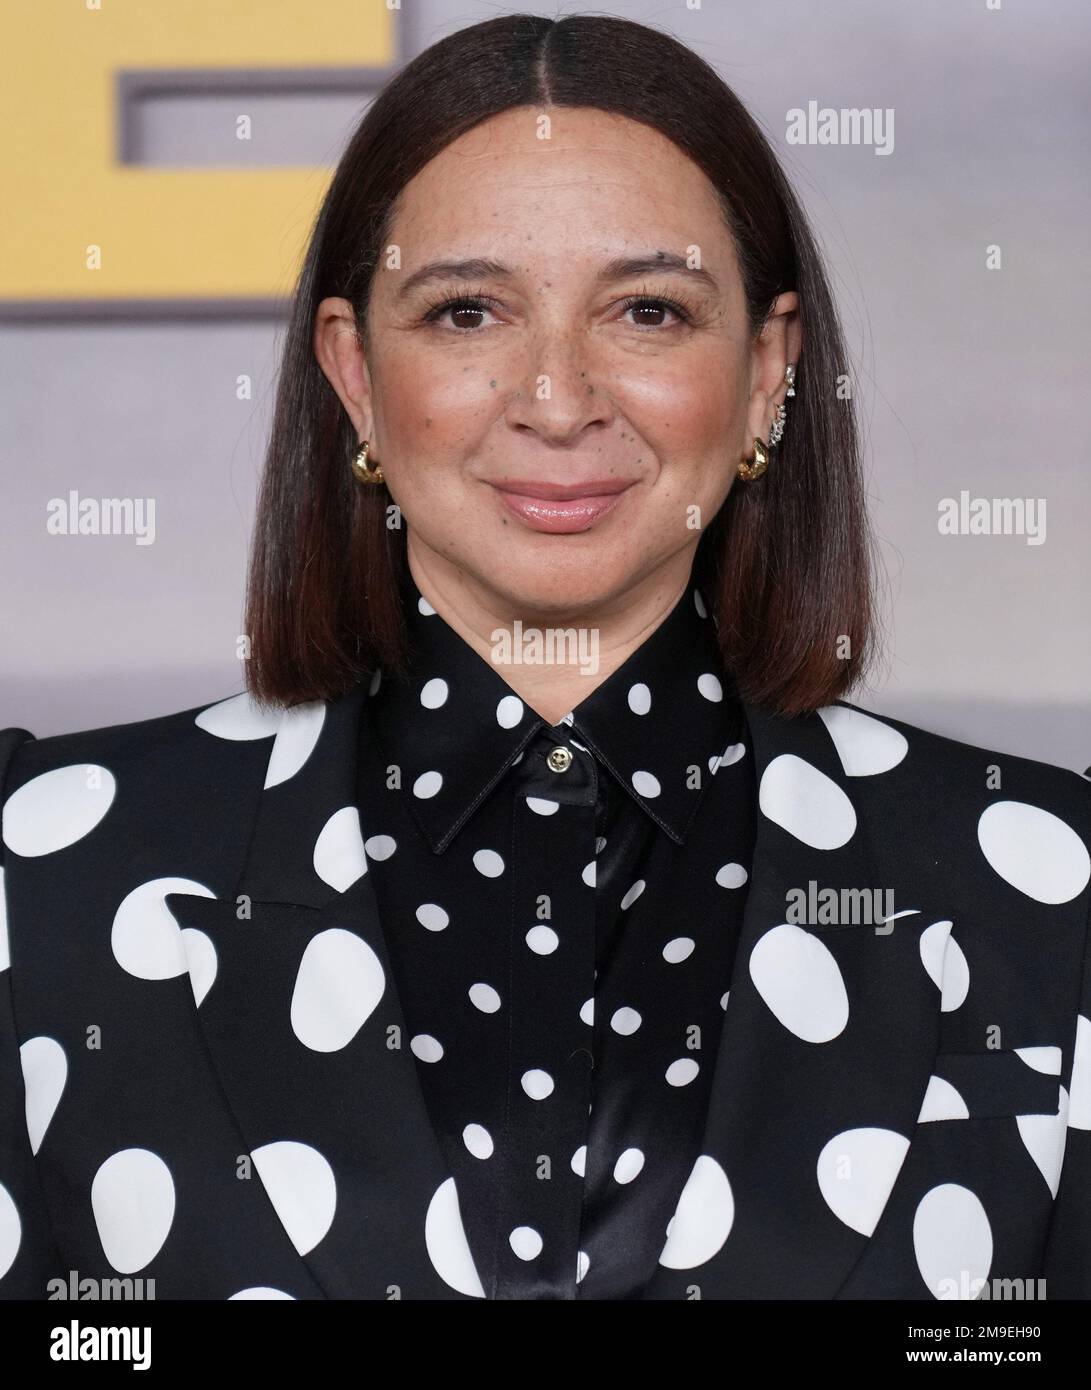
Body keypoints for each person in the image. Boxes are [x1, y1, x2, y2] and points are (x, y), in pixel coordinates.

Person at [1, 14, 1088, 1301]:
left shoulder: (1043, 895)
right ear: (354, 375)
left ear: (765, 374)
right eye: (466, 310)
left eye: (647, 309)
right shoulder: (42, 882)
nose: (558, 397)